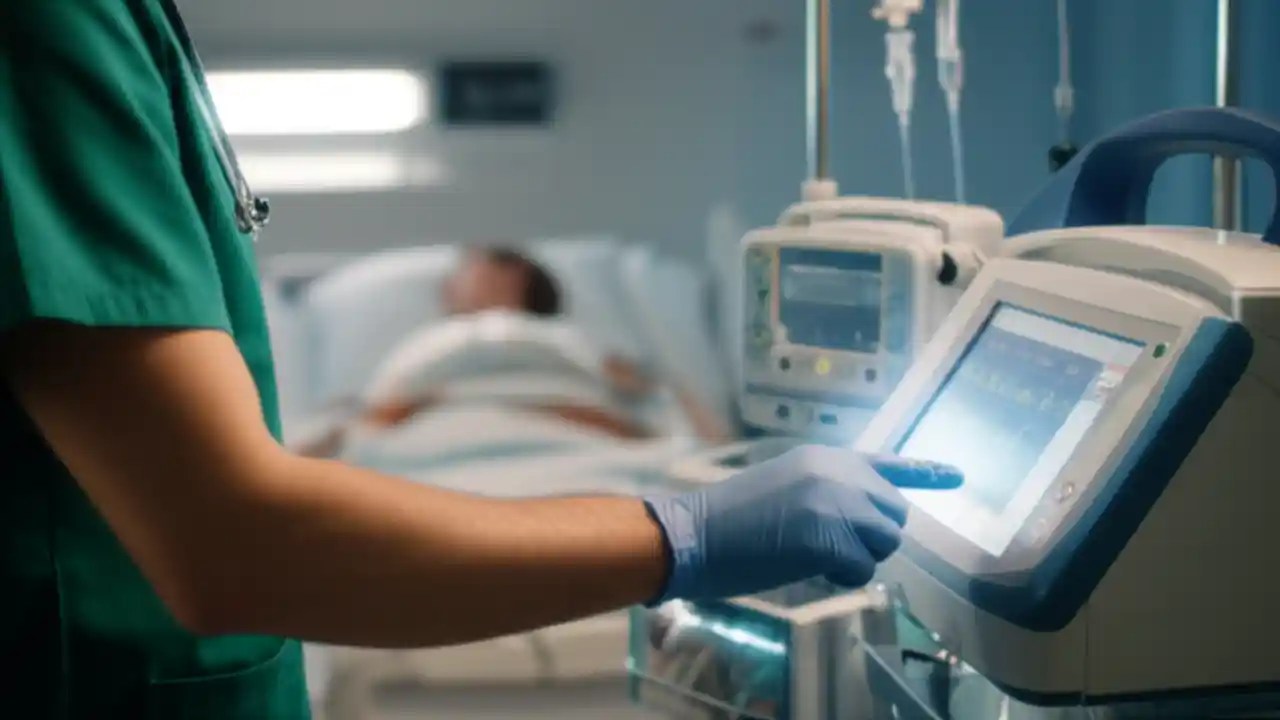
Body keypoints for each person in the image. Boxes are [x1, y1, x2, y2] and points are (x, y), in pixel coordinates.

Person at [0, 2, 957, 717]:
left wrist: (656, 438)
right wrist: (690, 534)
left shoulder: (584, 346)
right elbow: (232, 525)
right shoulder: (51, 30)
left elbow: (667, 423)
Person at [344, 245, 732, 445]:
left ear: (513, 273)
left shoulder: (575, 341)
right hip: (437, 436)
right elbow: (376, 414)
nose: (448, 284)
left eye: (467, 269)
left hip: (576, 434)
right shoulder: (432, 343)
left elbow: (662, 408)